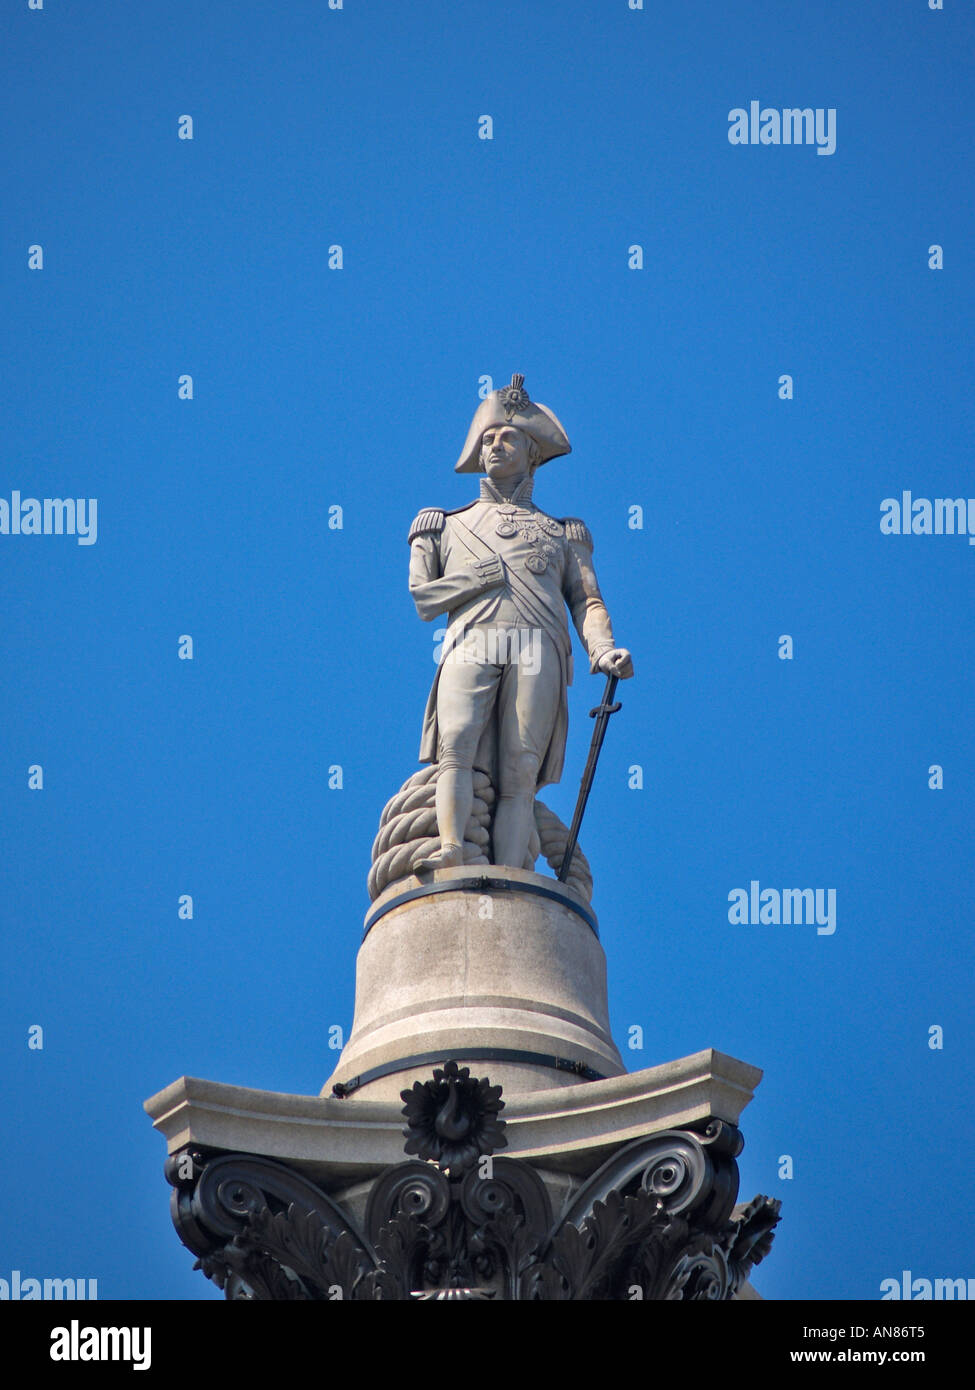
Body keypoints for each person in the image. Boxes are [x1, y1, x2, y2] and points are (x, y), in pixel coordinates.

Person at [408, 374, 633, 872]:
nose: (495, 445)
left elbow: (587, 601)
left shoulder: (563, 533)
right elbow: (425, 599)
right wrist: (479, 578)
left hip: (540, 645)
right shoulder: (442, 524)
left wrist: (603, 650)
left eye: (507, 437)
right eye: (487, 438)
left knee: (520, 769)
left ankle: (512, 872)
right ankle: (450, 847)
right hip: (472, 639)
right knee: (457, 744)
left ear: (532, 451)